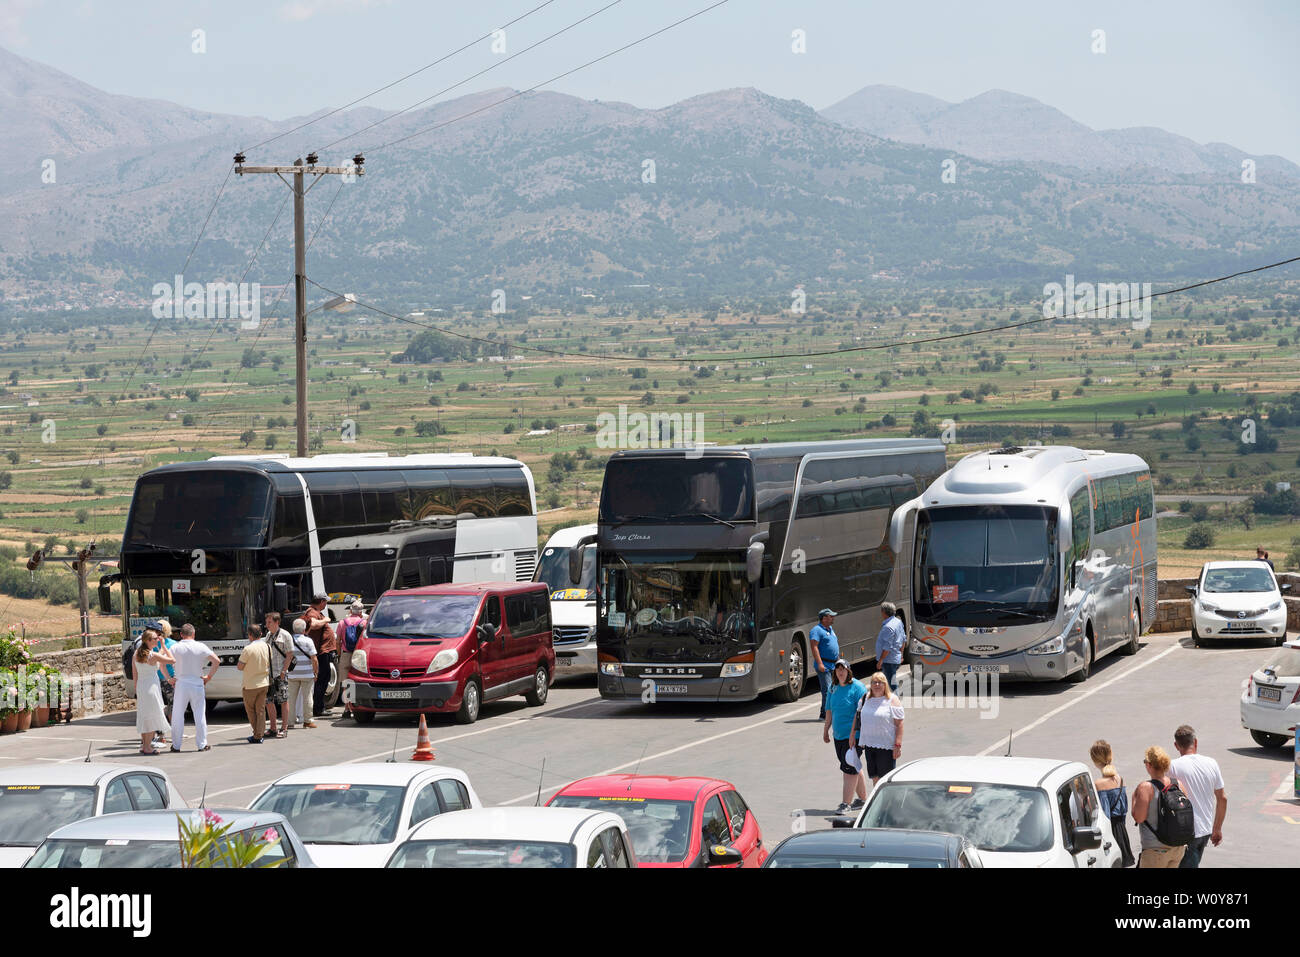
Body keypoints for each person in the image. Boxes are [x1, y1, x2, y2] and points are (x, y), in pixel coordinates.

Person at [1169, 724, 1227, 869]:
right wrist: (1217, 828)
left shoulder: (1173, 767)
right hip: (1205, 831)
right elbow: (1222, 798)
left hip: (1185, 832)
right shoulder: (1211, 763)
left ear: (1176, 745)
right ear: (1195, 742)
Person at [822, 660, 867, 814]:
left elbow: (862, 714)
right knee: (853, 765)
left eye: (843, 669)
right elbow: (829, 710)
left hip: (854, 736)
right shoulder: (833, 688)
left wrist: (855, 734)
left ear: (849, 671)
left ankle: (845, 803)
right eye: (838, 669)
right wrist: (826, 729)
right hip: (839, 735)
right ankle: (862, 799)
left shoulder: (858, 688)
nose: (840, 672)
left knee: (849, 769)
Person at [1132, 745, 1187, 868]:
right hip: (1178, 848)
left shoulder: (1146, 787)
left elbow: (1139, 818)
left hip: (1155, 850)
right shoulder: (1178, 784)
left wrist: (1134, 799)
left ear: (1149, 764)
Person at [169, 623, 220, 753]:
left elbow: (163, 663)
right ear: (194, 634)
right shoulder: (200, 646)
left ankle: (176, 745)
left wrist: (169, 678)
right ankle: (202, 744)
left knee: (177, 715)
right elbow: (216, 661)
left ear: (181, 634)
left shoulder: (175, 647)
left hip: (181, 683)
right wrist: (208, 677)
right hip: (197, 682)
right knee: (199, 714)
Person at [851, 672, 904, 786]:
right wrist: (852, 736)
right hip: (869, 744)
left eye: (880, 682)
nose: (877, 684)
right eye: (874, 682)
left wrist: (897, 745)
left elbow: (899, 724)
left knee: (885, 779)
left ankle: (888, 803)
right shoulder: (865, 698)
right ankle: (879, 801)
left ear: (885, 685)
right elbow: (857, 717)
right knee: (874, 776)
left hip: (886, 746)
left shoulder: (892, 700)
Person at [1089, 740, 1135, 868]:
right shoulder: (1120, 780)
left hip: (1110, 831)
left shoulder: (1098, 784)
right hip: (1121, 829)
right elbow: (1124, 809)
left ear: (1095, 760)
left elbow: (1104, 814)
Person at [132, 628, 174, 755]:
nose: (157, 639)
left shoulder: (137, 654)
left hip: (142, 687)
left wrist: (137, 689)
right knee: (153, 717)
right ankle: (147, 747)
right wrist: (164, 647)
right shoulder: (153, 655)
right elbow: (172, 660)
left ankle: (145, 746)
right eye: (155, 638)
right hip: (151, 687)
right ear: (149, 641)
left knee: (145, 717)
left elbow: (135, 674)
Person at [304, 592, 337, 718]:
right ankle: (318, 707)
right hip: (320, 652)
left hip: (324, 652)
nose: (326, 604)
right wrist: (326, 620)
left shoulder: (316, 612)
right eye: (326, 601)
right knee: (321, 680)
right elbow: (313, 624)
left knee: (324, 679)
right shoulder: (312, 612)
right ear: (321, 601)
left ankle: (319, 706)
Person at [236, 624, 271, 744]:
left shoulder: (248, 649)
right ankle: (259, 734)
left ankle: (257, 734)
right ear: (261, 634)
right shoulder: (267, 646)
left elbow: (240, 666)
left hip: (250, 684)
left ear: (250, 635)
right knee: (260, 711)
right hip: (264, 682)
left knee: (251, 711)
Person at [263, 612, 292, 738]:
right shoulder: (268, 635)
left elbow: (290, 654)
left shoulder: (285, 635)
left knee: (283, 700)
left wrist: (284, 671)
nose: (267, 625)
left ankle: (284, 728)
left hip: (280, 673)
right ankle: (273, 727)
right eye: (266, 622)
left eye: (269, 622)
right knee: (268, 701)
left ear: (277, 622)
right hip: (269, 674)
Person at [286, 618, 319, 730]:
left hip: (292, 674)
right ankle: (307, 721)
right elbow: (314, 659)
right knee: (308, 697)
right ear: (304, 630)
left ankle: (290, 722)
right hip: (307, 674)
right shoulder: (308, 641)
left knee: (291, 699)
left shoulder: (289, 641)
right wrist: (315, 672)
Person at [337, 600, 368, 719]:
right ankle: (356, 706)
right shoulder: (364, 622)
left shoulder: (342, 623)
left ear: (350, 611)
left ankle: (346, 708)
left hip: (346, 653)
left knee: (346, 682)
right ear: (361, 612)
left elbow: (337, 641)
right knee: (355, 681)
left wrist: (340, 654)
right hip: (358, 654)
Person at [809, 609, 840, 720]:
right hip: (824, 665)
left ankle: (828, 712)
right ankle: (825, 714)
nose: (833, 618)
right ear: (824, 618)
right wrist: (820, 663)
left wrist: (838, 661)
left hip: (833, 664)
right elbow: (814, 647)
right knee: (827, 690)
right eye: (831, 616)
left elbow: (833, 645)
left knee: (834, 689)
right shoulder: (816, 630)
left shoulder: (830, 629)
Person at [875, 602, 906, 692]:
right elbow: (903, 639)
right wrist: (901, 655)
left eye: (881, 611)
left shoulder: (888, 627)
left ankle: (896, 704)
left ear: (884, 612)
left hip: (888, 660)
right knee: (889, 684)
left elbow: (887, 647)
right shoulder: (898, 622)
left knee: (891, 685)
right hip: (895, 658)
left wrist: (880, 660)